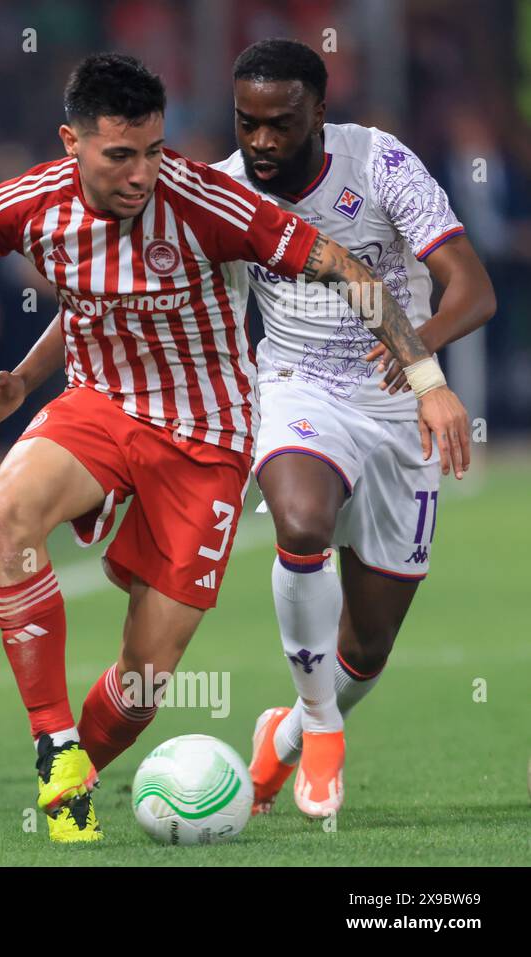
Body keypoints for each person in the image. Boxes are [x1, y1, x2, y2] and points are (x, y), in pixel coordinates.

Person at [0, 53, 469, 842]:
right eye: (120, 155)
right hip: (100, 407)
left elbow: (349, 270)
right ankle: (55, 749)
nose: (143, 174)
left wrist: (425, 375)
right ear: (70, 142)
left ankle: (90, 757)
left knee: (142, 682)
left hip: (208, 439)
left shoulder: (213, 202)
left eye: (153, 150)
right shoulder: (28, 202)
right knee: (9, 506)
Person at [214, 39, 494, 817]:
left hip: (399, 409)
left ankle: (288, 730)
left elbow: (472, 289)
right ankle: (322, 725)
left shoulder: (380, 165)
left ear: (320, 114)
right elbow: (205, 316)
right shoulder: (226, 193)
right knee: (300, 522)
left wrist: (420, 361)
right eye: (247, 122)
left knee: (366, 650)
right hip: (298, 387)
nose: (262, 141)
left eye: (281, 122)